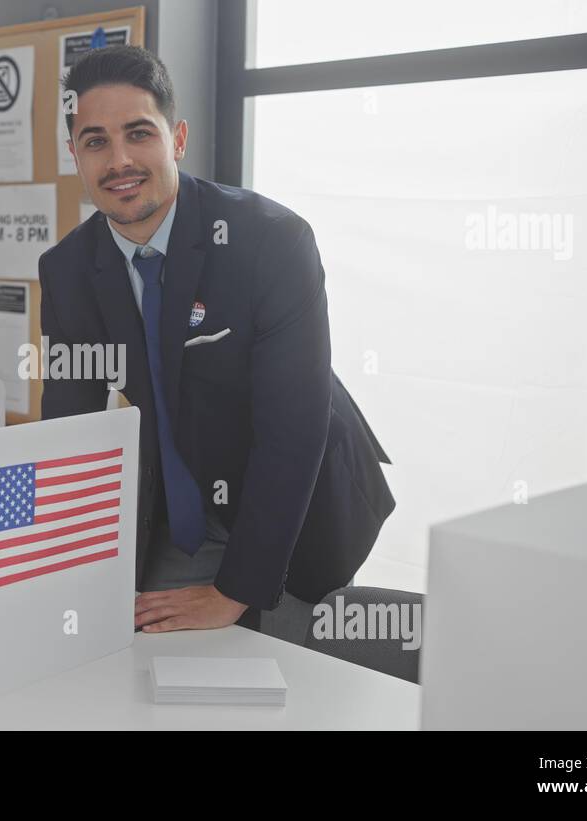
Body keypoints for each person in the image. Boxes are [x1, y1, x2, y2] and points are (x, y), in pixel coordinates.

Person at [38, 45, 395, 644]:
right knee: (142, 657)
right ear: (75, 155)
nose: (120, 160)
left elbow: (293, 428)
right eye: (96, 141)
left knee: (289, 660)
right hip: (184, 498)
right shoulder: (68, 270)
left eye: (138, 133)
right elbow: (67, 428)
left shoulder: (271, 243)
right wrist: (57, 566)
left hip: (304, 493)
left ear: (177, 138)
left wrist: (236, 591)